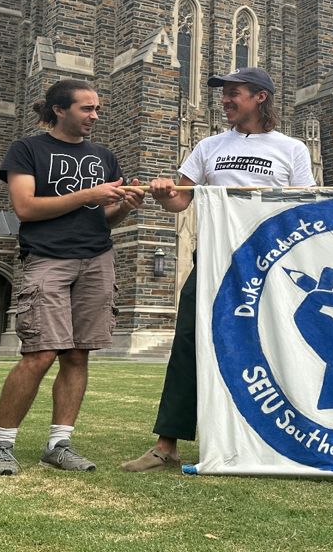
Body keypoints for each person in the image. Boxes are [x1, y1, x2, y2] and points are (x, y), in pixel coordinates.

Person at [122, 66, 314, 472]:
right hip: (212, 261)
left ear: (260, 97)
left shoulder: (292, 149)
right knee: (187, 345)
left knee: (276, 345)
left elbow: (304, 205)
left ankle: (285, 440)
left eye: (234, 93)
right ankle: (166, 445)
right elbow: (181, 200)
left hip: (268, 264)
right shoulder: (209, 146)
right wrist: (163, 193)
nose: (225, 100)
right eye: (223, 93)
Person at [0, 79, 144, 475]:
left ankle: (59, 444)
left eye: (97, 109)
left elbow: (105, 217)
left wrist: (126, 205)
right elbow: (25, 207)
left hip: (97, 259)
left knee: (77, 354)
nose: (95, 116)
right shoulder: (27, 150)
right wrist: (89, 195)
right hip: (48, 258)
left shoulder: (103, 156)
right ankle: (0, 445)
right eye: (86, 108)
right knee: (40, 354)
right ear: (59, 109)